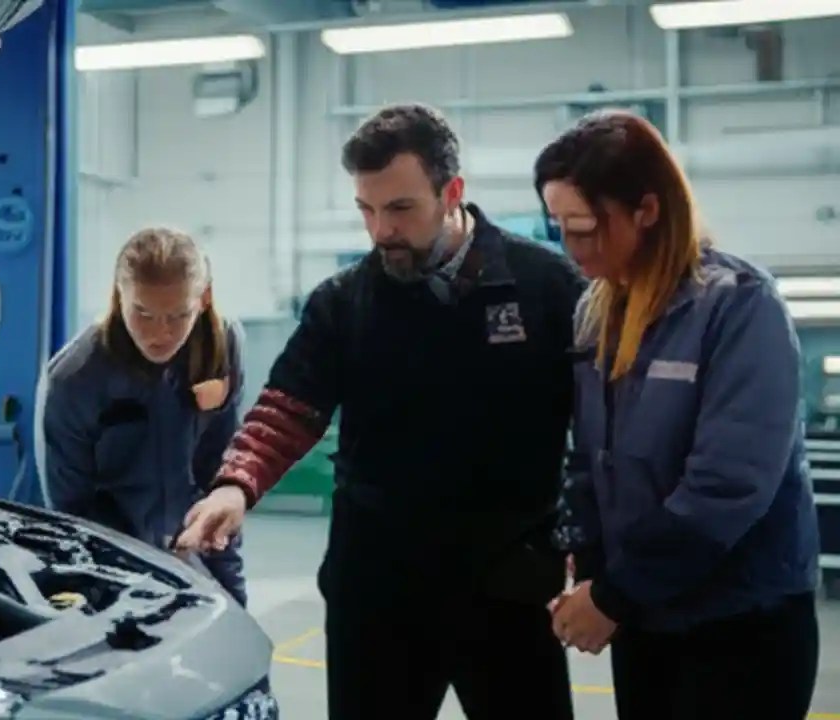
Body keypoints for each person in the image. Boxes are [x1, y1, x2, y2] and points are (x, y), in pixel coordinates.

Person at [176, 104, 585, 718]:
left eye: (399, 209)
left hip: (511, 587)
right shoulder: (343, 304)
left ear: (452, 193)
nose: (381, 230)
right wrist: (236, 485)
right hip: (379, 594)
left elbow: (599, 430)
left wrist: (588, 551)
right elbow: (287, 407)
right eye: (366, 210)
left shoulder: (547, 288)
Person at [538, 109, 821, 718]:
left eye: (584, 227)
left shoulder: (739, 307)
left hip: (741, 623)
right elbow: (590, 456)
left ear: (647, 208)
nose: (571, 247)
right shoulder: (597, 311)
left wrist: (612, 595)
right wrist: (588, 563)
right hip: (647, 618)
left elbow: (727, 485)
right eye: (557, 226)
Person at [36, 227, 248, 605]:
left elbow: (220, 477)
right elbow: (71, 513)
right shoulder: (74, 379)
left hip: (192, 549)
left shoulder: (223, 346)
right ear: (119, 296)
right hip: (111, 564)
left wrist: (233, 593)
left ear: (204, 299)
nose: (159, 334)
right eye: (143, 313)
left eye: (178, 315)